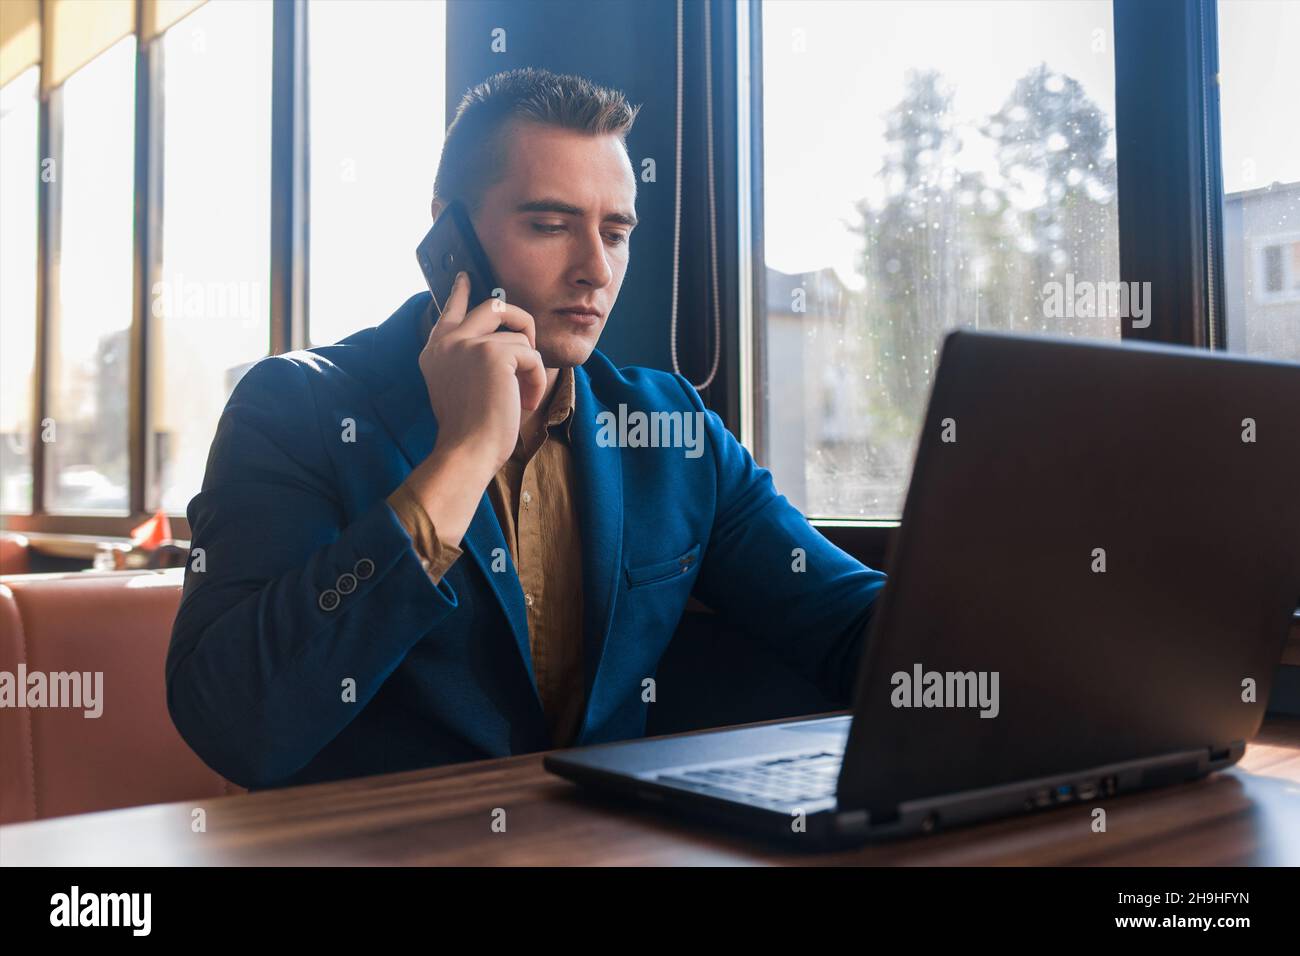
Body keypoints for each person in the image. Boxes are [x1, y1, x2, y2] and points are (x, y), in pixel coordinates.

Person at [166, 67, 887, 790]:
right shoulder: (294, 407)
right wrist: (463, 457)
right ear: (449, 234)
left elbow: (845, 620)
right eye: (550, 225)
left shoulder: (670, 428)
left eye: (616, 231)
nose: (595, 270)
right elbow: (234, 721)